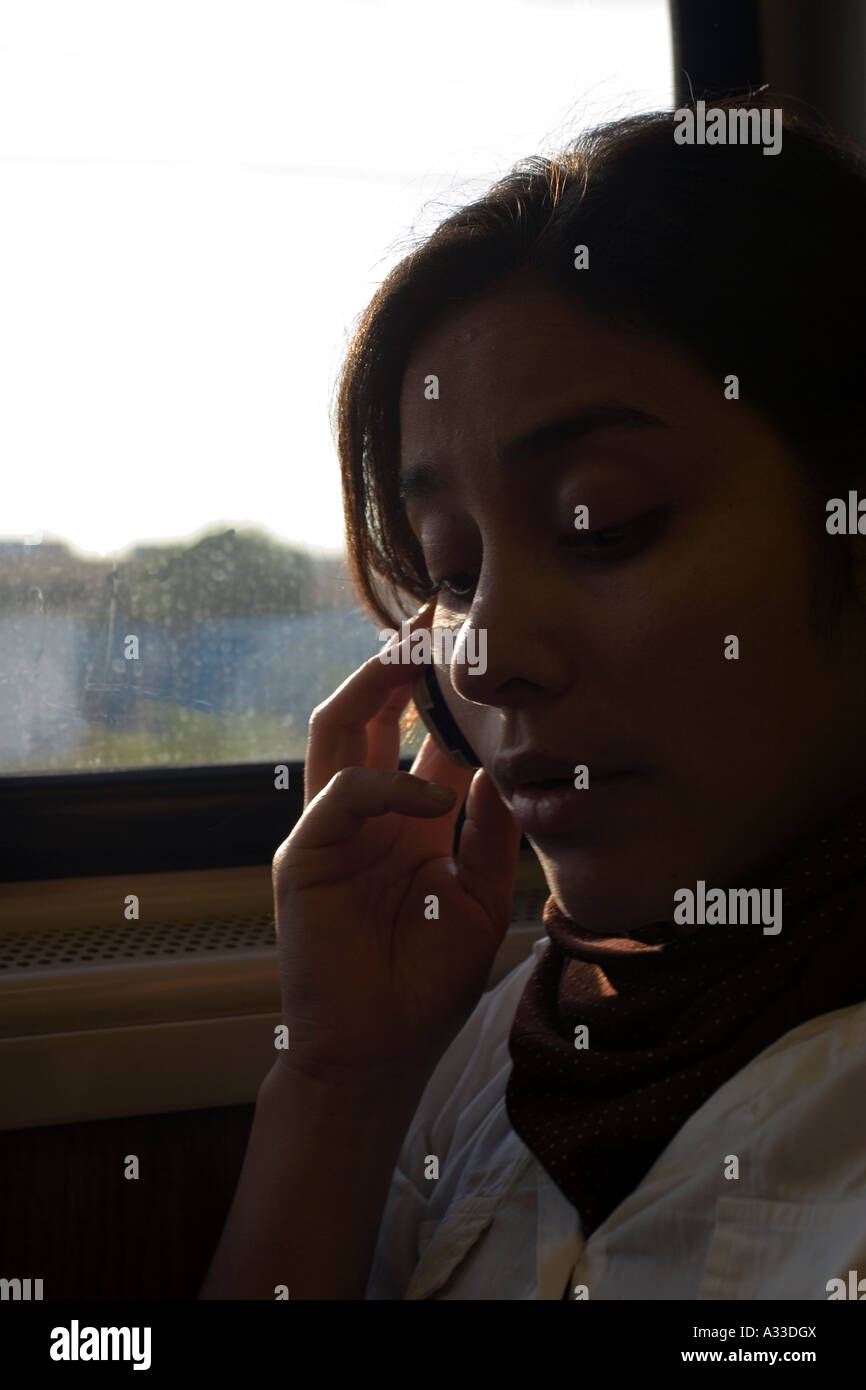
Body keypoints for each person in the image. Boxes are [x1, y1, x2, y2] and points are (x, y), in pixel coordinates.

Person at [200, 95, 866, 1300]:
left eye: (601, 523)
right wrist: (340, 1091)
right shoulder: (494, 1047)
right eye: (451, 573)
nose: (489, 652)